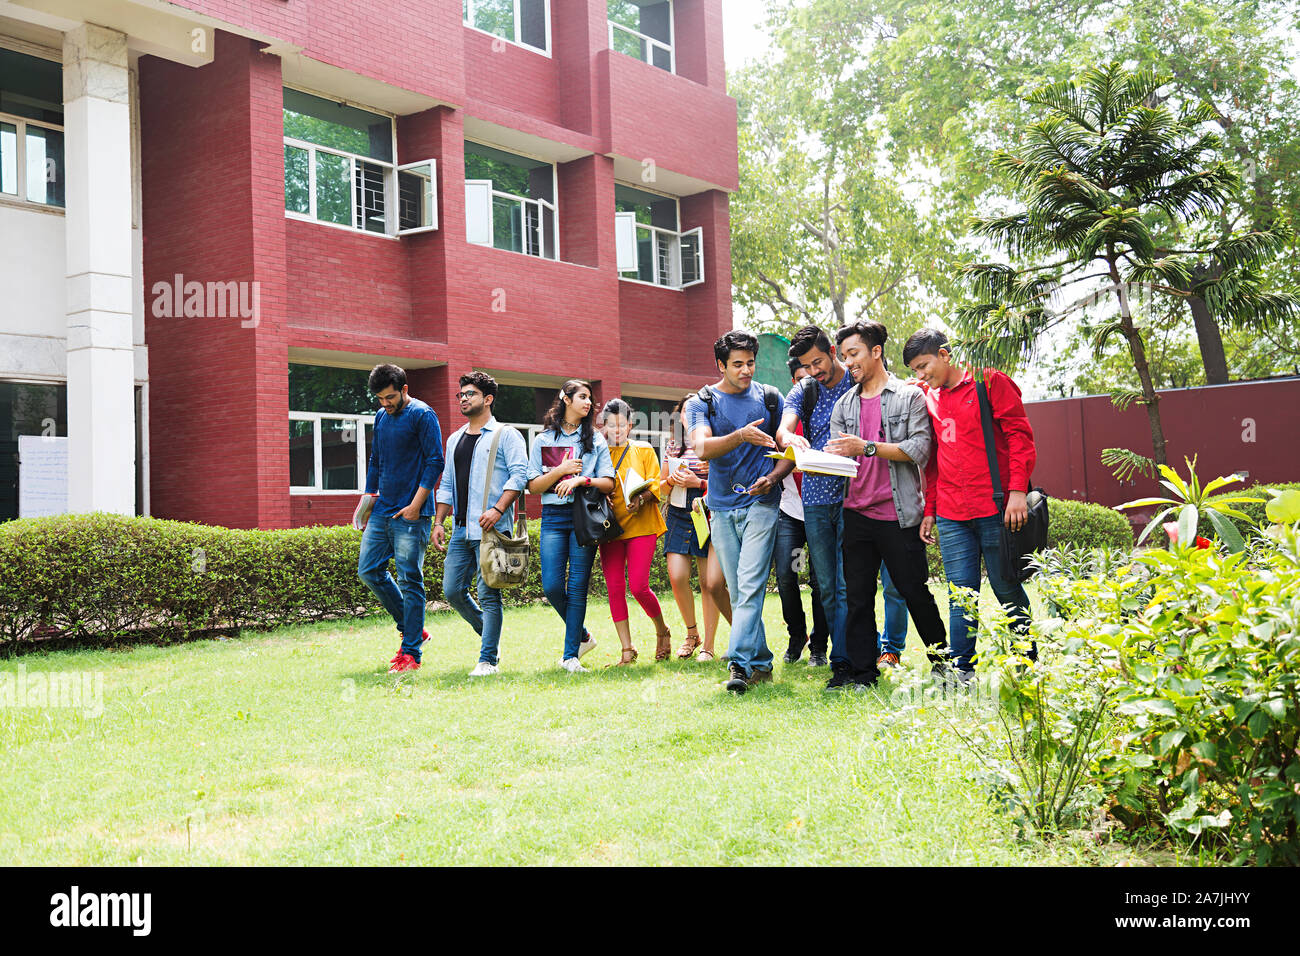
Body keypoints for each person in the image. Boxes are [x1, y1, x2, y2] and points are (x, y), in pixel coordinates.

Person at [904, 328, 1038, 682]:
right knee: (960, 594)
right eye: (915, 370)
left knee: (1006, 584)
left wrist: (1017, 493)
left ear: (945, 355)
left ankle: (1027, 663)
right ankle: (963, 671)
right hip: (951, 513)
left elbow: (1019, 438)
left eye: (923, 366)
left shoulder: (990, 382)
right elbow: (930, 461)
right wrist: (930, 509)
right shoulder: (927, 396)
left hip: (995, 508)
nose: (920, 376)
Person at [823, 321, 949, 689]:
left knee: (914, 591)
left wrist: (867, 447)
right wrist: (820, 462)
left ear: (876, 352)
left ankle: (942, 662)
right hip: (856, 514)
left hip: (898, 515)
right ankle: (864, 673)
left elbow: (920, 450)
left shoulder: (908, 396)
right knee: (858, 598)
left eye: (854, 354)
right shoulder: (844, 404)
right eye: (844, 357)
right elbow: (838, 457)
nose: (849, 363)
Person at [684, 330, 795, 695]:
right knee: (735, 588)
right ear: (721, 365)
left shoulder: (769, 397)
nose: (746, 370)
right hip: (720, 506)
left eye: (750, 363)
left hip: (762, 501)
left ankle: (739, 663)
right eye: (737, 364)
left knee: (748, 586)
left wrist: (777, 473)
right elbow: (701, 447)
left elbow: (787, 446)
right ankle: (762, 662)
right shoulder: (703, 401)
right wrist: (739, 437)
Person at [432, 372, 529, 677]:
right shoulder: (455, 439)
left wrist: (498, 509)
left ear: (487, 399)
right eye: (461, 394)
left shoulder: (506, 435)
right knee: (452, 591)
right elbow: (446, 483)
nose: (463, 398)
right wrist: (439, 522)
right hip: (461, 529)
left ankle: (488, 660)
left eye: (470, 394)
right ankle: (491, 636)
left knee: (489, 593)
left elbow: (519, 476)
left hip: (492, 528)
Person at [774, 325, 855, 675]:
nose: (814, 371)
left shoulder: (856, 379)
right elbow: (782, 431)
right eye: (807, 365)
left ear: (833, 351)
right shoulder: (806, 388)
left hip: (857, 495)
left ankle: (859, 650)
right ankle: (841, 658)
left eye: (818, 362)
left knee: (850, 582)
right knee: (826, 584)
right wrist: (790, 436)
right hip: (817, 500)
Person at [357, 363, 445, 674]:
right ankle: (412, 627)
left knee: (410, 579)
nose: (385, 404)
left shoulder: (423, 415)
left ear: (405, 389)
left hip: (413, 513)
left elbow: (435, 461)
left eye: (390, 397)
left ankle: (411, 653)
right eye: (380, 398)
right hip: (383, 510)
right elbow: (376, 459)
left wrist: (416, 505)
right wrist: (368, 498)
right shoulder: (381, 416)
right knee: (369, 570)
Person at [527, 379, 616, 674]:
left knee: (577, 587)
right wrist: (562, 470)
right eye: (582, 397)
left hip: (583, 518)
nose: (588, 402)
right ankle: (583, 637)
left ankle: (570, 657)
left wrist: (581, 479)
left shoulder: (596, 439)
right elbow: (535, 486)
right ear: (565, 399)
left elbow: (609, 482)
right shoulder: (543, 440)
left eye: (590, 398)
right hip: (552, 518)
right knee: (552, 586)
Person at [598, 398, 672, 665]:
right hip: (609, 529)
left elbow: (655, 484)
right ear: (603, 426)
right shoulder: (599, 451)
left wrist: (639, 499)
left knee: (639, 586)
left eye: (621, 425)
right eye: (610, 425)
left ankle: (662, 631)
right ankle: (627, 649)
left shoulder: (643, 449)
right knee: (615, 587)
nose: (616, 430)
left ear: (629, 425)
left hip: (641, 524)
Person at [660, 394, 731, 663]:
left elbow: (727, 482)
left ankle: (708, 646)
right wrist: (672, 479)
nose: (689, 416)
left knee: (708, 582)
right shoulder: (674, 444)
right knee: (677, 576)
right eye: (685, 411)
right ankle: (692, 633)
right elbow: (660, 486)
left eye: (696, 411)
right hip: (679, 511)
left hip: (708, 510)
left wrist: (701, 480)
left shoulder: (713, 441)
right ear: (679, 415)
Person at [773, 357, 829, 666]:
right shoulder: (787, 417)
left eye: (812, 377)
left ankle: (819, 645)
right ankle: (798, 636)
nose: (806, 384)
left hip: (821, 512)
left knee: (821, 581)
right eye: (799, 379)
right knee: (786, 574)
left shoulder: (830, 414)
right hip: (791, 511)